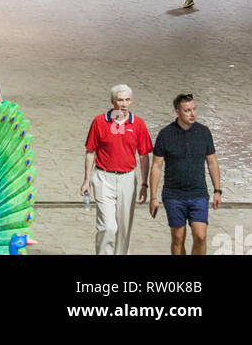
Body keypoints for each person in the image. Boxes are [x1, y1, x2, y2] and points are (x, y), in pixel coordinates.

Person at [82, 84, 153, 256]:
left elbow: (144, 156)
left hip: (127, 179)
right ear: (112, 101)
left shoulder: (138, 124)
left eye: (127, 100)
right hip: (103, 177)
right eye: (120, 100)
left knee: (124, 227)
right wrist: (86, 180)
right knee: (107, 227)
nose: (124, 104)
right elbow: (90, 152)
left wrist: (144, 184)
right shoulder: (99, 121)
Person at [149, 95, 221, 256]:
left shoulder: (204, 132)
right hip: (173, 194)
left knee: (200, 236)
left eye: (194, 109)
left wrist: (217, 190)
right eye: (187, 110)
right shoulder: (165, 135)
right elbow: (156, 166)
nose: (192, 114)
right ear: (177, 111)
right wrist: (153, 197)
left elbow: (212, 162)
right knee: (178, 238)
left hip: (198, 193)